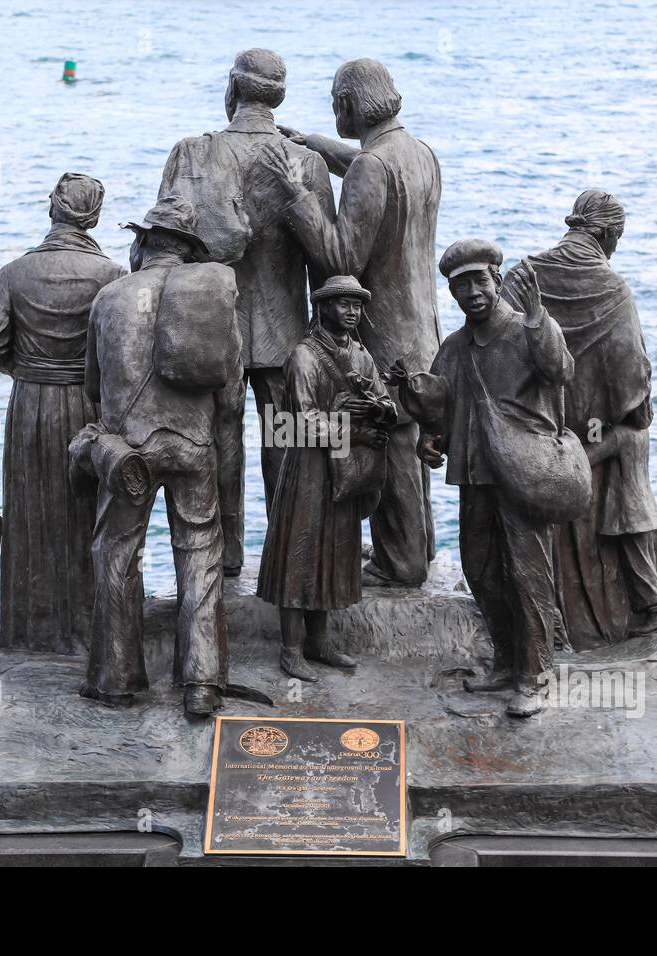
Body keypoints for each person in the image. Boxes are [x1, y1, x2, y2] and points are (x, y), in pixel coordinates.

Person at [262, 57, 440, 588]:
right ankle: (419, 547)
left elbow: (342, 259)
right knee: (409, 445)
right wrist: (319, 144)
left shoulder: (371, 166)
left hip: (384, 335)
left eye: (334, 102)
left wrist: (296, 196)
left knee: (391, 446)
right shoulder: (418, 152)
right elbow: (371, 168)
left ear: (348, 103)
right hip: (422, 328)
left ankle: (401, 562)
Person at [159, 49, 336, 575]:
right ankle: (286, 556)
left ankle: (224, 552)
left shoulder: (193, 154)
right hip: (285, 329)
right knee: (287, 436)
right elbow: (328, 260)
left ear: (232, 89)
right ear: (279, 97)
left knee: (219, 436)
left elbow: (163, 252)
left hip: (214, 328)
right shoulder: (306, 163)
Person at [387, 240, 572, 717]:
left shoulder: (526, 331)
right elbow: (442, 408)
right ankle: (509, 663)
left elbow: (559, 369)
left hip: (523, 475)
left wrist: (538, 316)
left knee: (527, 573)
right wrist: (429, 436)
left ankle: (536, 673)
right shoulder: (455, 346)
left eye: (478, 281)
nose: (471, 293)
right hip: (476, 476)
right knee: (482, 569)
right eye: (459, 286)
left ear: (497, 279)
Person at [79, 197, 238, 717]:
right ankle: (202, 683)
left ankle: (117, 679)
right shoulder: (211, 299)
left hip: (131, 452)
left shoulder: (108, 298)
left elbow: (93, 388)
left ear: (143, 241)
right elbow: (231, 392)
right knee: (200, 557)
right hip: (194, 446)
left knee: (118, 554)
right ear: (188, 251)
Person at [503, 190, 657, 648]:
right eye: (615, 238)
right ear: (603, 234)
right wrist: (635, 412)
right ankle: (630, 614)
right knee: (620, 511)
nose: (615, 246)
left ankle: (551, 622)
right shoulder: (613, 289)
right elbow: (631, 368)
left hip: (540, 431)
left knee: (547, 526)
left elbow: (500, 348)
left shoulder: (523, 275)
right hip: (597, 430)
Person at [0, 172, 125, 654]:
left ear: (52, 209)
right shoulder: (112, 276)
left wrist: (31, 370)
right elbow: (120, 353)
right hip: (87, 405)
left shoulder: (14, 273)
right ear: (95, 217)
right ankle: (86, 632)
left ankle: (27, 633)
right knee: (88, 516)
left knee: (28, 514)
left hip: (29, 407)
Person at [257, 276, 395, 681]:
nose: (352, 311)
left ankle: (320, 641)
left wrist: (384, 410)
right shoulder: (304, 357)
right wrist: (357, 429)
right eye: (343, 304)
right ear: (324, 307)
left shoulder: (361, 354)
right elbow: (301, 423)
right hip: (309, 471)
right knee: (299, 553)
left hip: (344, 470)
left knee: (333, 552)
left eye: (356, 304)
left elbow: (382, 398)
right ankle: (290, 649)